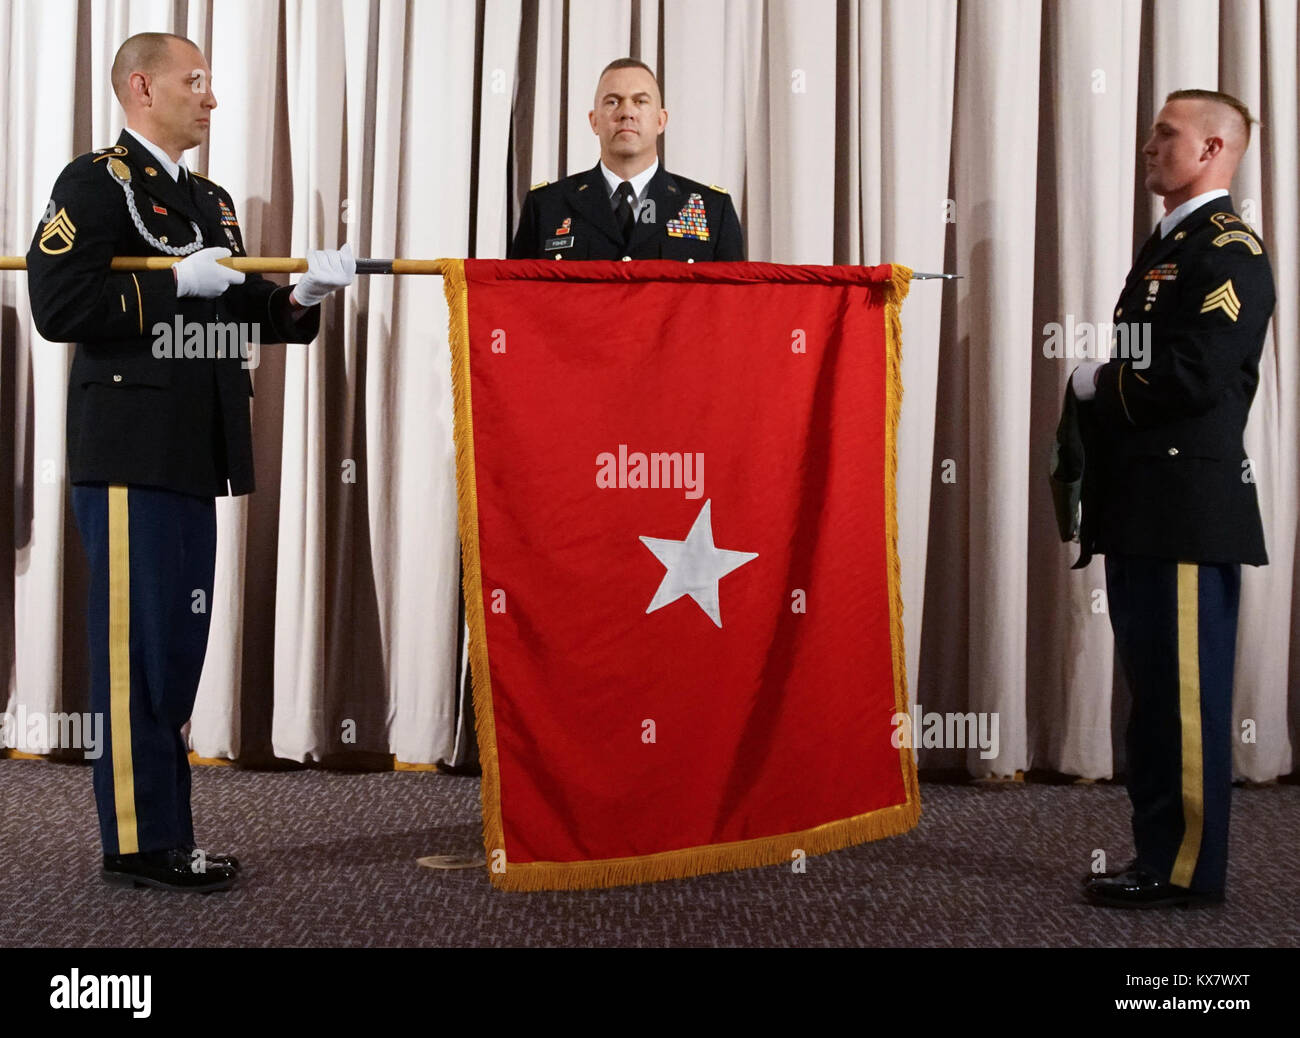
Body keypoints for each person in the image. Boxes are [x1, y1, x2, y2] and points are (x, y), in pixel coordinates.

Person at [25, 32, 354, 892]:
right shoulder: (94, 182)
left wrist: (300, 298)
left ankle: (167, 834)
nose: (210, 98)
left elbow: (242, 311)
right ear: (142, 86)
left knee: (175, 653)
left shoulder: (206, 199)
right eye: (194, 80)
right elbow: (58, 304)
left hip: (195, 448)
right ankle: (138, 844)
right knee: (137, 657)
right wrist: (173, 284)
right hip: (131, 448)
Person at [1067, 89, 1274, 909]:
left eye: (1168, 132)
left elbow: (1194, 376)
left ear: (1216, 149)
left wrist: (1096, 381)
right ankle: (1160, 856)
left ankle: (1184, 871)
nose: (1151, 143)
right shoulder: (1173, 244)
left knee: (1183, 704)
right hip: (1149, 507)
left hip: (1187, 510)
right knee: (1155, 699)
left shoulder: (1225, 250)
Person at [509, 58, 745, 261]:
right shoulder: (546, 206)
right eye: (612, 101)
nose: (626, 112)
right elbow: (519, 302)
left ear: (661, 121)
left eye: (641, 101)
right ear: (594, 121)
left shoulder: (712, 209)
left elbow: (732, 307)